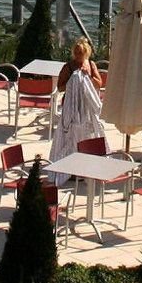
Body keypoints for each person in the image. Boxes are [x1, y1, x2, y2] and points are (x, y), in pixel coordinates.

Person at [49, 40, 106, 182]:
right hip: (72, 107)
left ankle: (86, 164)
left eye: (81, 53)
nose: (78, 56)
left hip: (87, 108)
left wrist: (89, 76)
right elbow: (60, 87)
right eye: (76, 53)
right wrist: (73, 81)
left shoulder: (91, 65)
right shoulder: (68, 67)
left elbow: (99, 84)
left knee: (87, 134)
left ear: (87, 53)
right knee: (71, 135)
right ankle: (70, 167)